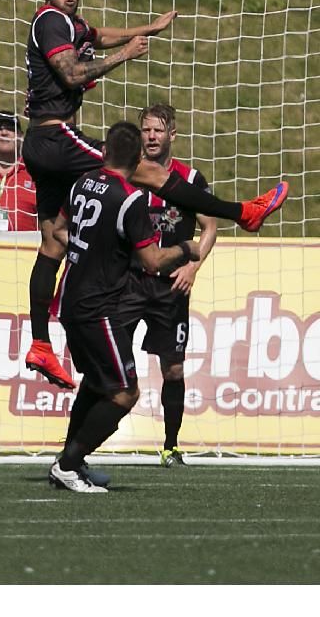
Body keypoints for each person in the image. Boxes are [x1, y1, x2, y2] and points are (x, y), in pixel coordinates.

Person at [21, 0, 288, 391]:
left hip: (37, 143)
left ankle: (39, 343)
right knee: (147, 172)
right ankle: (244, 213)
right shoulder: (52, 21)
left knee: (53, 240)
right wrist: (124, 56)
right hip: (57, 136)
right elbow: (71, 72)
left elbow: (98, 35)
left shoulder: (69, 22)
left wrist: (148, 28)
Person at [48, 121, 202, 493]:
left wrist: (90, 247)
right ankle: (68, 464)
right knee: (124, 392)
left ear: (104, 152)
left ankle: (71, 461)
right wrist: (185, 250)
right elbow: (151, 261)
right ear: (136, 158)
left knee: (98, 384)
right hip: (98, 306)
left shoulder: (83, 181)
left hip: (70, 298)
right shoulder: (130, 198)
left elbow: (57, 230)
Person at [118, 104, 217, 468]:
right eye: (146, 130)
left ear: (172, 135)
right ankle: (83, 441)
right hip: (129, 282)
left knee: (173, 369)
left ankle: (171, 446)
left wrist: (192, 266)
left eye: (158, 131)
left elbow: (210, 226)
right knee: (109, 361)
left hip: (170, 289)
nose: (151, 137)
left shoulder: (189, 180)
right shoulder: (127, 175)